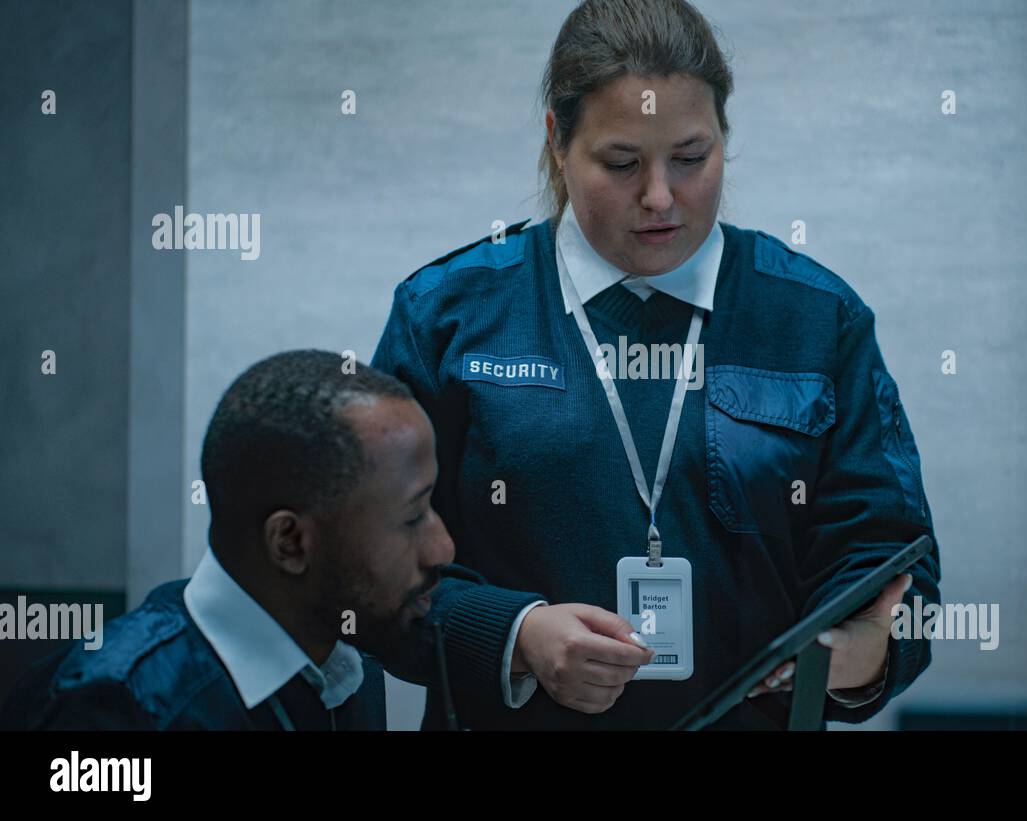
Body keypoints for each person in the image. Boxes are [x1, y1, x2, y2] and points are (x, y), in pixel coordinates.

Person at [371, 0, 940, 730]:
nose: (660, 197)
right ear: (557, 142)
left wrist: (861, 650)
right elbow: (370, 574)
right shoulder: (446, 315)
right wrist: (514, 635)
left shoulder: (816, 319)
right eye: (622, 163)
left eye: (691, 158)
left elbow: (895, 563)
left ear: (725, 137)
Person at [1, 350, 465, 730]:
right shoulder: (114, 709)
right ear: (290, 543)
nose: (443, 548)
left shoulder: (346, 658)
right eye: (412, 518)